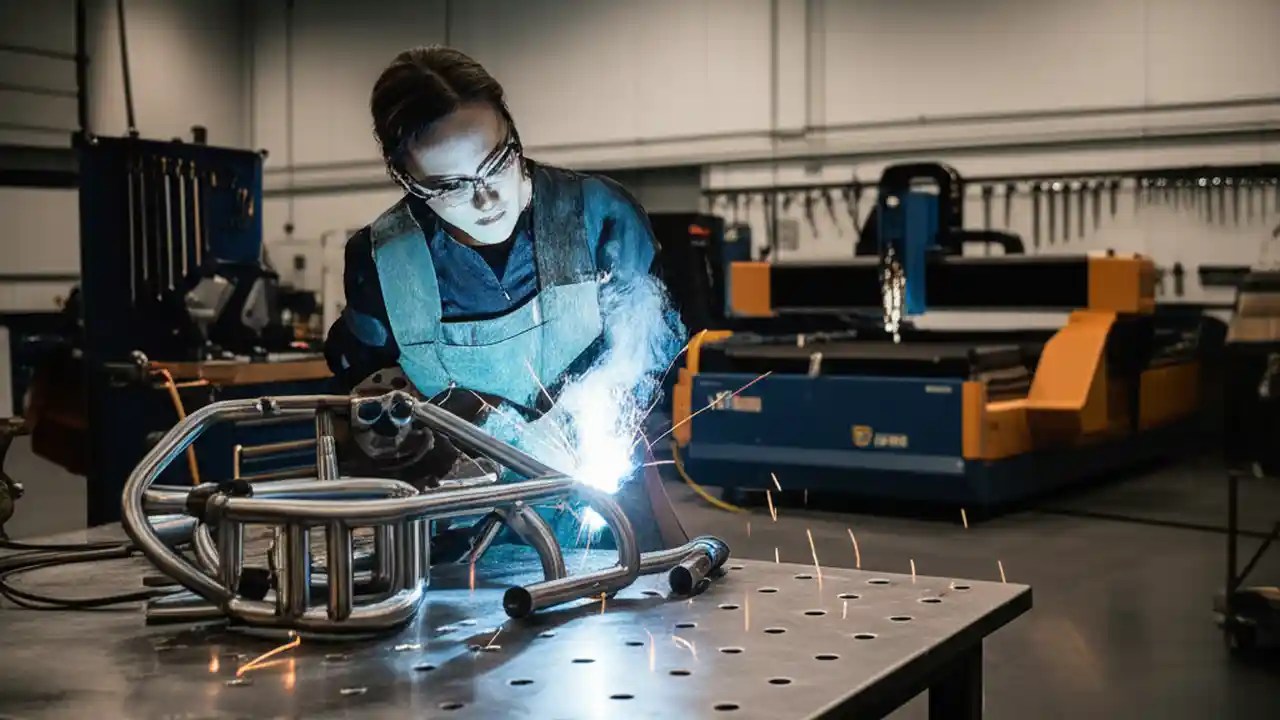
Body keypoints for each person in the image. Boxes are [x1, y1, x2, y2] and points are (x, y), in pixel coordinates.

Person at [324, 46, 687, 552]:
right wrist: (482, 440)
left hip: (607, 519)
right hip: (468, 535)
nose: (486, 197)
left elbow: (646, 348)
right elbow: (373, 401)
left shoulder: (599, 216)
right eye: (451, 186)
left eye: (496, 162)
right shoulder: (382, 260)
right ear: (407, 181)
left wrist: (593, 413)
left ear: (511, 130)